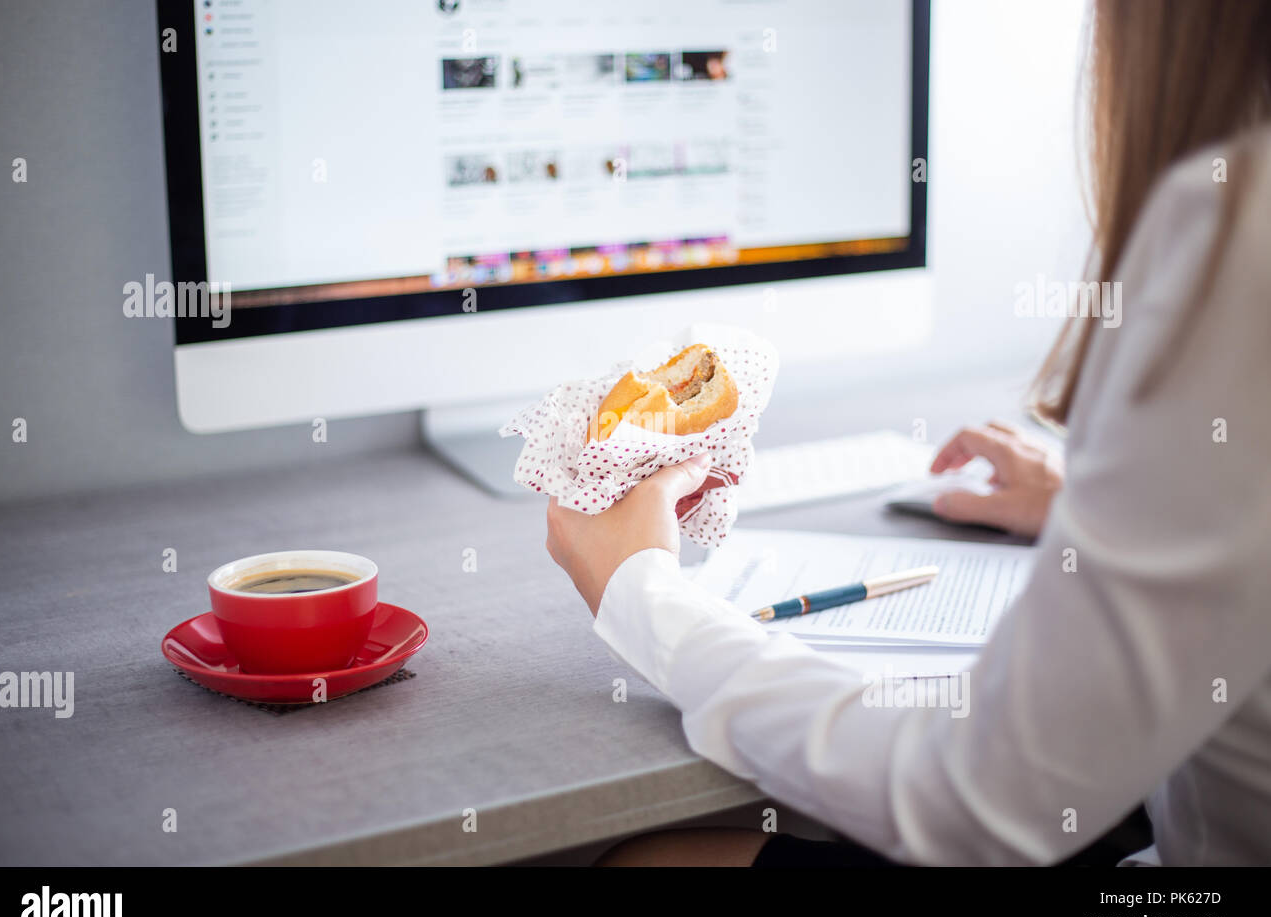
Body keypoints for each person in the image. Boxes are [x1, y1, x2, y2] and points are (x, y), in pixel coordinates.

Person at [544, 0, 1271, 866]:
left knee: (654, 861)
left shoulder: (1239, 224)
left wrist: (642, 594)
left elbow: (973, 800)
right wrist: (1129, 515)